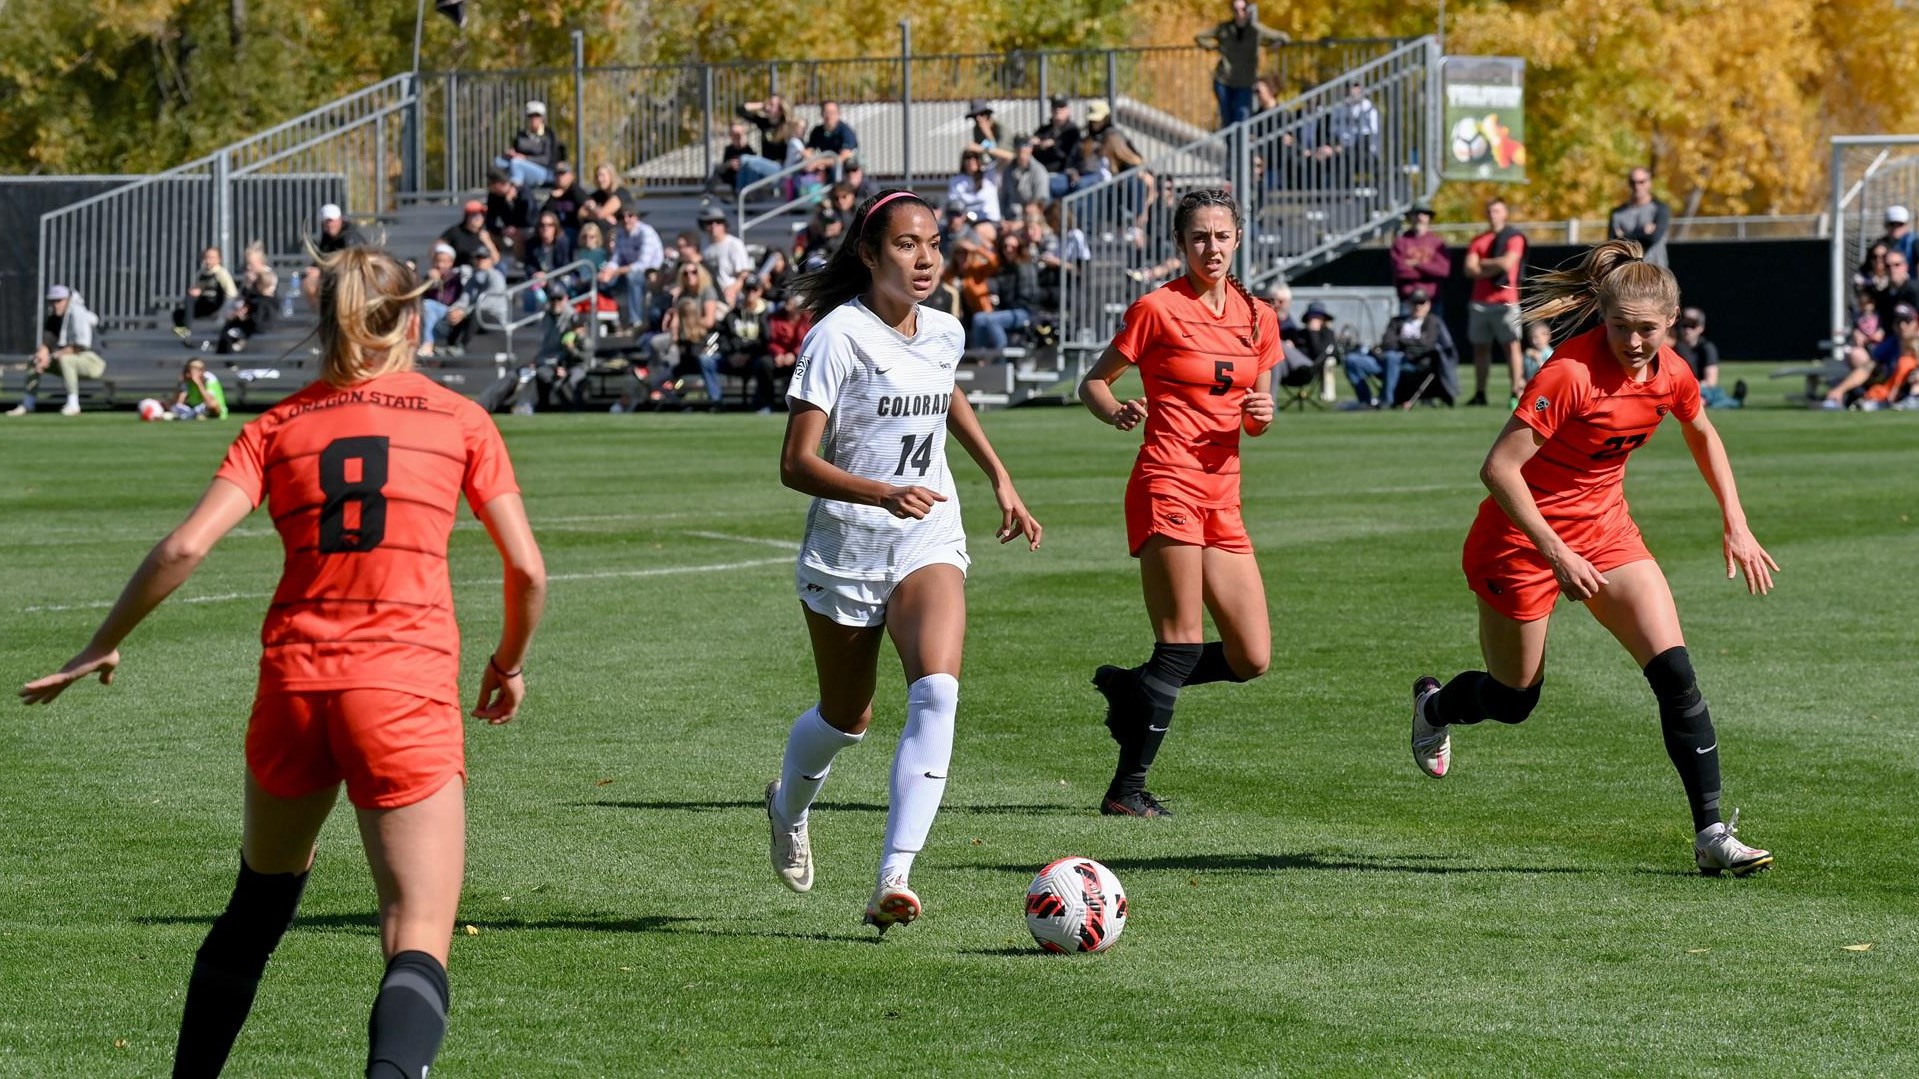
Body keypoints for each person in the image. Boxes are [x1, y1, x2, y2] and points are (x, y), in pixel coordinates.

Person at [19, 244, 546, 1077]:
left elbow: (185, 546)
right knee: (416, 930)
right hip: (402, 692)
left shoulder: (278, 425)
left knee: (257, 907)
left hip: (296, 689)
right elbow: (527, 569)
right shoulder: (459, 420)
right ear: (410, 318)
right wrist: (508, 661)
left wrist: (102, 640)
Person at [1409, 238, 1776, 878]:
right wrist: (1555, 551)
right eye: (1619, 328)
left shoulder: (1672, 372)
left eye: (1646, 331)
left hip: (1607, 534)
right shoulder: (1570, 374)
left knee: (1676, 676)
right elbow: (1498, 468)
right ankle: (1435, 708)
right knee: (1515, 698)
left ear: (1672, 322)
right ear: (1601, 317)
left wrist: (1736, 522)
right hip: (1520, 544)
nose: (1633, 343)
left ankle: (1712, 834)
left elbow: (1701, 430)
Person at [764, 189, 1042, 934]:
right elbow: (794, 464)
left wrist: (997, 475)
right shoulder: (836, 337)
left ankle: (894, 875)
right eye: (905, 245)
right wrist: (880, 491)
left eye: (932, 243)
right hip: (848, 549)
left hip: (928, 538)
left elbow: (945, 392)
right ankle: (787, 803)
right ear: (868, 253)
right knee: (846, 718)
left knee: (937, 692)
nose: (924, 258)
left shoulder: (945, 329)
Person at [1075, 189, 1278, 817]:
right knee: (1182, 642)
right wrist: (1115, 411)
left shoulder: (1259, 316)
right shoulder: (1157, 309)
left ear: (1237, 239)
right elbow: (1093, 382)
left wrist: (1263, 414)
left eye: (1220, 236)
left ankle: (1134, 689)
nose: (1210, 248)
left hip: (1224, 496)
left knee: (1251, 656)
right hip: (1167, 481)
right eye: (1198, 237)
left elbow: (1256, 416)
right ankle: (1125, 791)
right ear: (1180, 244)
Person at [1463, 197, 1527, 406]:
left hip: (1505, 302)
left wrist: (1483, 264)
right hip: (1480, 302)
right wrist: (1494, 265)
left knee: (1511, 347)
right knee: (1480, 348)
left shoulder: (1514, 237)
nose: (1493, 215)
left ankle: (1515, 391)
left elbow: (1508, 263)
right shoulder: (1478, 240)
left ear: (1505, 213)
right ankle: (1480, 393)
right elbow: (1469, 269)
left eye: (1497, 211)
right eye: (1490, 211)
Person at [1344, 287, 1452, 408]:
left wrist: (1401, 343)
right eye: (1414, 302)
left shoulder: (1433, 322)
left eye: (1421, 303)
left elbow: (1426, 344)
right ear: (1408, 304)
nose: (1418, 307)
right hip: (1385, 362)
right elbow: (1388, 343)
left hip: (1414, 364)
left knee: (1392, 357)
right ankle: (1366, 401)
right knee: (1351, 360)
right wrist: (1409, 343)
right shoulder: (1396, 321)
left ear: (1428, 305)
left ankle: (1386, 400)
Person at [9, 285, 106, 416]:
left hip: (93, 362)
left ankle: (73, 405)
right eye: (52, 301)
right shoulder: (55, 318)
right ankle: (28, 404)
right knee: (34, 360)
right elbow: (46, 344)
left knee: (66, 359)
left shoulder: (78, 313)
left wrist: (51, 357)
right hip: (66, 360)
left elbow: (80, 346)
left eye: (59, 300)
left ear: (68, 300)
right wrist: (41, 356)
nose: (55, 304)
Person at [1194, 0, 1288, 128]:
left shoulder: (1255, 30)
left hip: (1244, 82)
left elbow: (1283, 37)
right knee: (1227, 119)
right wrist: (1213, 47)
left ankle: (1240, 147)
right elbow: (1200, 36)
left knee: (1242, 117)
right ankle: (1230, 148)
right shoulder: (1225, 28)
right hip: (1224, 80)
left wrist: (1274, 45)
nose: (1239, 13)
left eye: (1242, 10)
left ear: (1248, 10)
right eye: (1236, 10)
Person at [1669, 307, 1744, 409]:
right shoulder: (1673, 348)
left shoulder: (1706, 348)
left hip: (1701, 390)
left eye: (1692, 325)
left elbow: (1711, 381)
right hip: (1677, 390)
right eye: (1684, 325)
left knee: (1714, 395)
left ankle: (1735, 400)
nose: (1687, 329)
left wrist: (1694, 388)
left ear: (1701, 328)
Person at [1390, 203, 1450, 317]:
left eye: (1424, 214)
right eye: (1416, 214)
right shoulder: (1401, 242)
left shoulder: (1437, 242)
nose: (1420, 217)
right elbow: (1400, 270)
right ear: (1410, 217)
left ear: (1429, 218)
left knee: (1433, 333)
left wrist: (1416, 264)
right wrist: (1429, 271)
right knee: (1407, 334)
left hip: (1432, 302)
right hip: (1408, 301)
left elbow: (1442, 271)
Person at [1608, 167, 1672, 268]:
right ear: (1629, 183)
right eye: (1633, 182)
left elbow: (1653, 238)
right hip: (1627, 272)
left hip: (1655, 271)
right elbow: (1612, 245)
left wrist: (1623, 236)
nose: (1637, 186)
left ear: (1649, 183)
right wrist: (1643, 233)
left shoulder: (1660, 209)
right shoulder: (1617, 213)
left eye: (1642, 181)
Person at [492, 100, 564, 190]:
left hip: (545, 172)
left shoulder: (548, 135)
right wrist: (510, 154)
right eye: (531, 116)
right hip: (521, 166)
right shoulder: (521, 135)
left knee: (516, 163)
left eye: (537, 116)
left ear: (542, 118)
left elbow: (546, 159)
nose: (534, 119)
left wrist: (525, 158)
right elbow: (516, 152)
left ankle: (515, 190)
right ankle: (497, 190)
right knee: (498, 162)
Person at [174, 246, 240, 342]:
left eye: (212, 257)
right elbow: (197, 290)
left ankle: (188, 332)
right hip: (203, 305)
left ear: (219, 259)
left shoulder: (221, 273)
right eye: (207, 257)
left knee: (189, 300)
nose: (208, 260)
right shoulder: (202, 273)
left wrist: (222, 312)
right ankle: (185, 335)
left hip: (215, 306)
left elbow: (232, 294)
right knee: (177, 314)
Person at [697, 205, 752, 305]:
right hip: (708, 293)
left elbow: (743, 274)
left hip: (729, 293)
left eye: (718, 222)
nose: (714, 226)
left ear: (724, 224)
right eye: (709, 222)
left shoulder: (734, 244)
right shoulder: (703, 243)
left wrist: (732, 290)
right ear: (704, 225)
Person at [1032, 97, 1082, 198]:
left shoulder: (1072, 130)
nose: (1058, 110)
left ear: (1068, 110)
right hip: (1041, 173)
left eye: (1061, 107)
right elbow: (1034, 148)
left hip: (1062, 175)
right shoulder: (1044, 129)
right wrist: (1040, 145)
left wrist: (1052, 145)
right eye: (1055, 107)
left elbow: (1066, 154)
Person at [802, 100, 858, 182]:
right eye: (826, 112)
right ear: (821, 114)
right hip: (824, 166)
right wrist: (810, 162)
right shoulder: (817, 131)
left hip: (844, 169)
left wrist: (818, 163)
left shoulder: (846, 131)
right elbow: (808, 150)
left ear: (839, 114)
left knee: (835, 171)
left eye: (832, 112)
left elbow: (842, 158)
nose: (829, 116)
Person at [946, 150, 1001, 223]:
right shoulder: (956, 180)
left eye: (975, 157)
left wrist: (982, 148)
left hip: (990, 221)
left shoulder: (989, 174)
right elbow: (953, 203)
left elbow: (1008, 158)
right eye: (968, 158)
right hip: (966, 222)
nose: (971, 161)